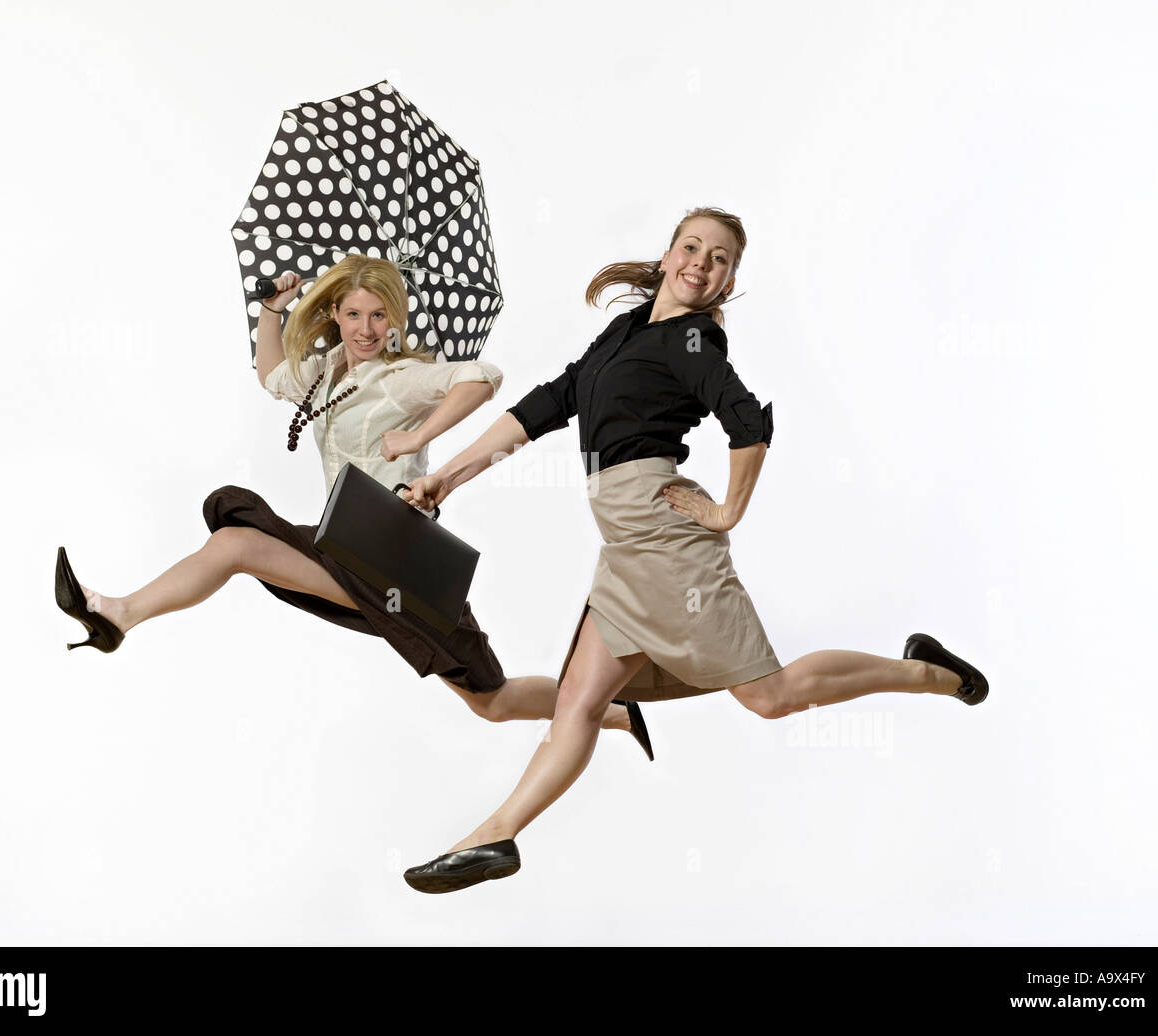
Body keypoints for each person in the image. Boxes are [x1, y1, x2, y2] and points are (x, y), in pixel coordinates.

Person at [400, 207, 989, 893]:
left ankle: (926, 672)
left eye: (719, 259)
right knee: (578, 706)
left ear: (729, 280)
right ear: (667, 253)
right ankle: (493, 840)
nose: (701, 265)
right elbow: (543, 407)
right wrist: (445, 478)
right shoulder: (623, 332)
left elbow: (747, 422)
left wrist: (728, 509)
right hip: (624, 546)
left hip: (665, 540)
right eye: (692, 248)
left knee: (770, 698)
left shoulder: (691, 344)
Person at [54, 254, 652, 751]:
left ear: (395, 318)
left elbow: (485, 377)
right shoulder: (328, 374)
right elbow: (271, 375)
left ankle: (617, 711)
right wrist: (272, 310)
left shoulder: (402, 376)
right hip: (343, 542)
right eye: (354, 314)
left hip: (396, 551)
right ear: (336, 315)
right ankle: (118, 613)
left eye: (379, 315)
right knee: (234, 541)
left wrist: (418, 437)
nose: (366, 328)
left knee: (491, 702)